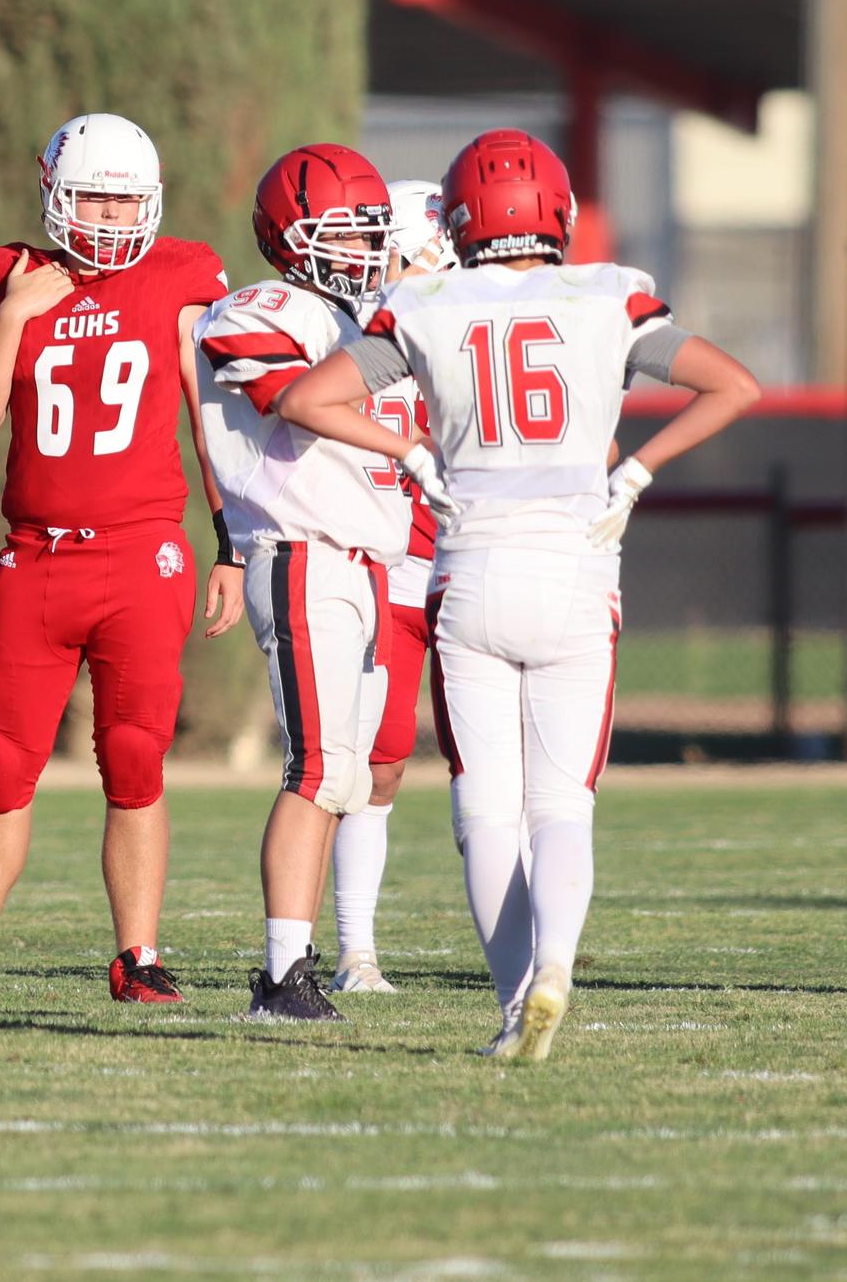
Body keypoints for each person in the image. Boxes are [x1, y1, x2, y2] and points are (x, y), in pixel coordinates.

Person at [273, 128, 758, 1059]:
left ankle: (510, 1006)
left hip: (471, 569)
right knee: (562, 806)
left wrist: (412, 452)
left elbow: (304, 400)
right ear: (560, 214)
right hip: (578, 569)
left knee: (485, 813)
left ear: (458, 220)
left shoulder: (426, 301)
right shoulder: (608, 293)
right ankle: (557, 964)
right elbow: (732, 385)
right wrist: (635, 473)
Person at [0, 113, 239, 1007]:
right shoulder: (12, 277)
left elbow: (208, 417)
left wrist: (231, 541)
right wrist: (13, 312)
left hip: (141, 553)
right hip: (36, 554)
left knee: (134, 755)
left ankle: (139, 955)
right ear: (54, 195)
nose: (113, 216)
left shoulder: (178, 276)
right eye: (94, 198)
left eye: (127, 200)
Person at [195, 142, 416, 1023]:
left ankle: (299, 961)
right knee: (317, 768)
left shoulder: (360, 320)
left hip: (360, 562)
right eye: (345, 233)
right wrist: (410, 447)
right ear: (290, 237)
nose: (365, 250)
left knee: (343, 778)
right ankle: (281, 974)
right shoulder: (266, 307)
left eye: (372, 232)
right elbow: (287, 395)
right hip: (301, 554)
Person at [321, 178, 459, 995]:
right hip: (386, 573)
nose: (370, 265)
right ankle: (356, 951)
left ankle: (527, 949)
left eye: (387, 251)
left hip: (466, 569)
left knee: (494, 772)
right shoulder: (348, 338)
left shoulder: (470, 335)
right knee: (375, 769)